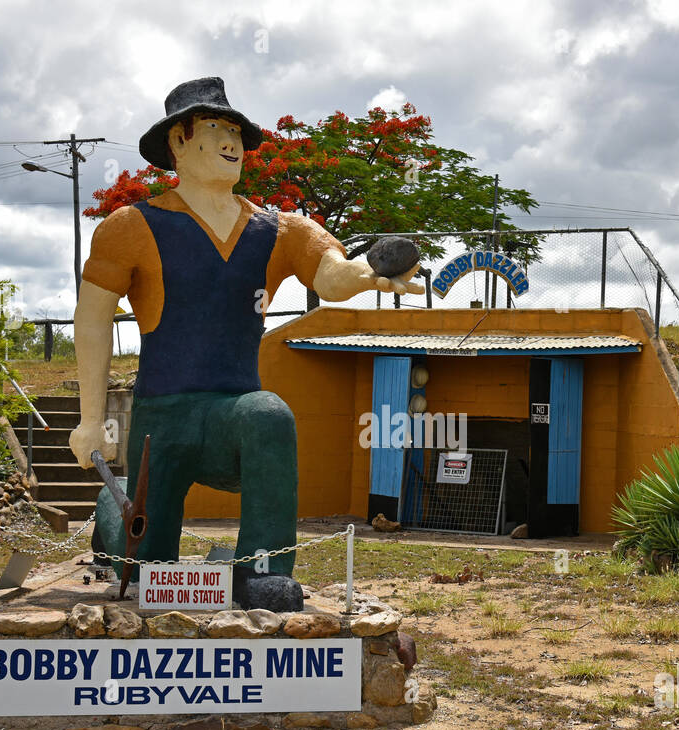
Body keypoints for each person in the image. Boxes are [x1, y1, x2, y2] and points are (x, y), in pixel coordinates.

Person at [68, 77, 421, 611]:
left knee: (269, 414)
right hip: (159, 425)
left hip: (233, 415)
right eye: (216, 128)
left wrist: (371, 271)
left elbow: (331, 276)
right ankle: (112, 518)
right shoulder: (130, 226)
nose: (232, 141)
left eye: (235, 130)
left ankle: (262, 570)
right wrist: (91, 419)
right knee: (144, 565)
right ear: (179, 142)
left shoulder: (279, 230)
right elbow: (93, 318)